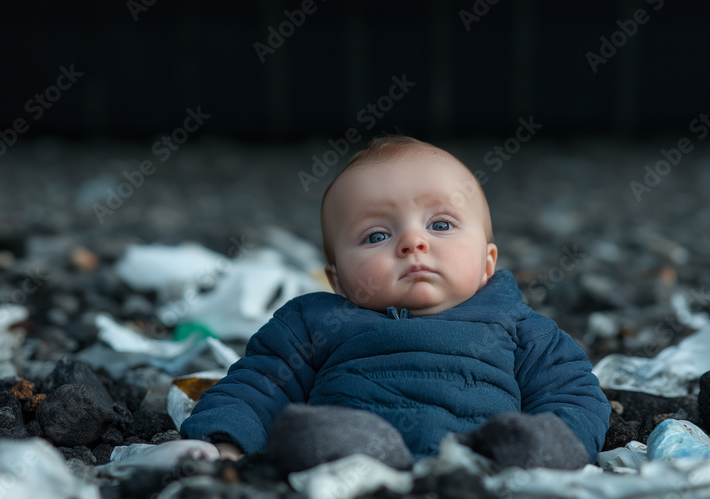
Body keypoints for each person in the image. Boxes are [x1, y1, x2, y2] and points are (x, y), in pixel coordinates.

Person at [178, 135, 610, 473]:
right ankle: (354, 453)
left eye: (440, 224)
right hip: (351, 461)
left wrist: (558, 438)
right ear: (337, 278)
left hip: (484, 460)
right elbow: (256, 388)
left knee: (530, 439)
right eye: (376, 236)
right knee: (310, 433)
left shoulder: (517, 324)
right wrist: (225, 442)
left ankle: (521, 457)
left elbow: (571, 391)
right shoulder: (315, 322)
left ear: (486, 263)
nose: (413, 242)